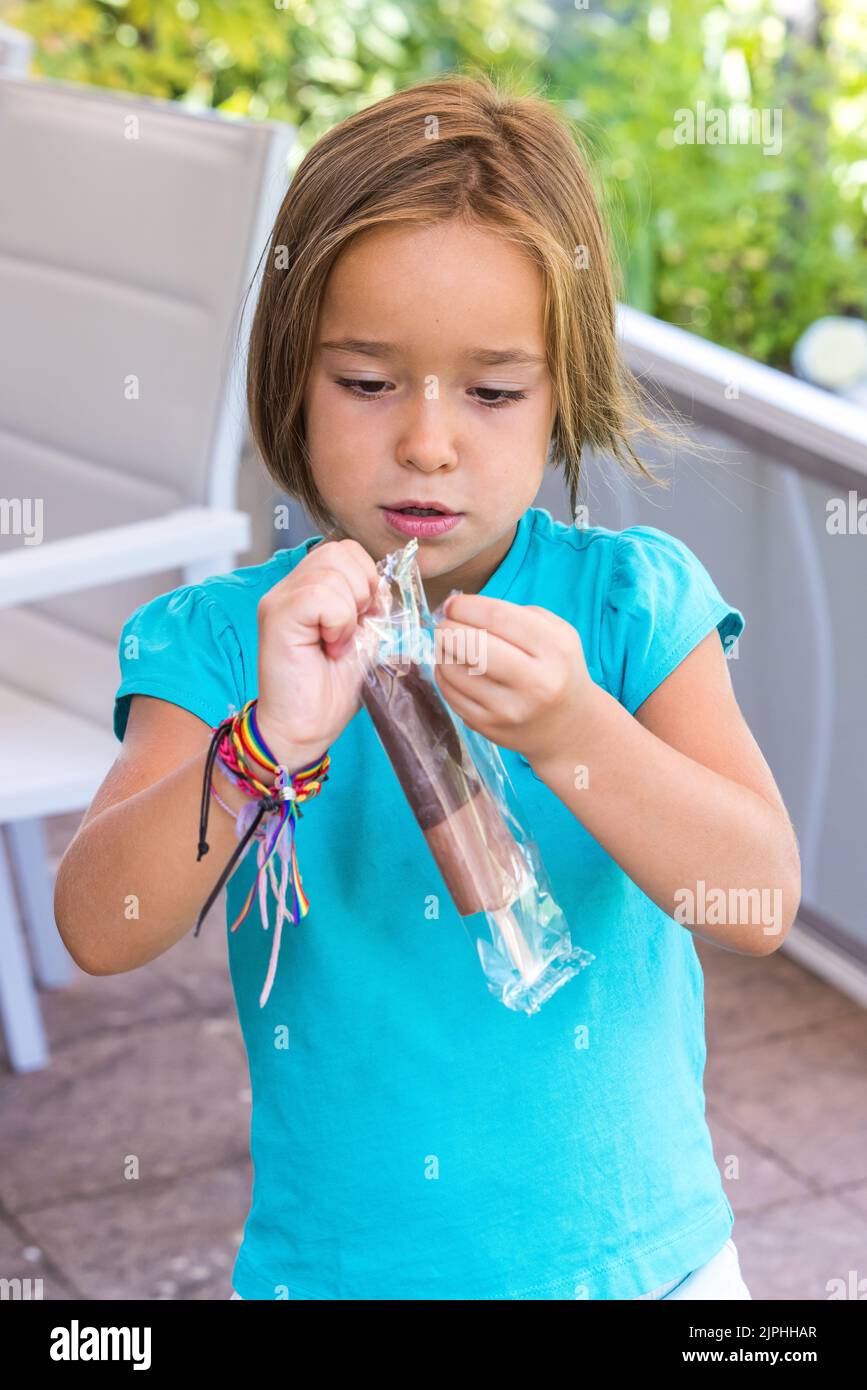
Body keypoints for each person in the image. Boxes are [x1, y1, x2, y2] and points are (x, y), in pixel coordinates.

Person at [54, 72, 799, 1301]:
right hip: (343, 1275)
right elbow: (100, 925)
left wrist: (575, 733)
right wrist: (263, 743)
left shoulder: (627, 607)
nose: (430, 441)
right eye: (367, 380)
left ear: (566, 396)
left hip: (645, 1268)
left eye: (495, 391)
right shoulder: (225, 642)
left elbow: (759, 896)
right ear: (293, 376)